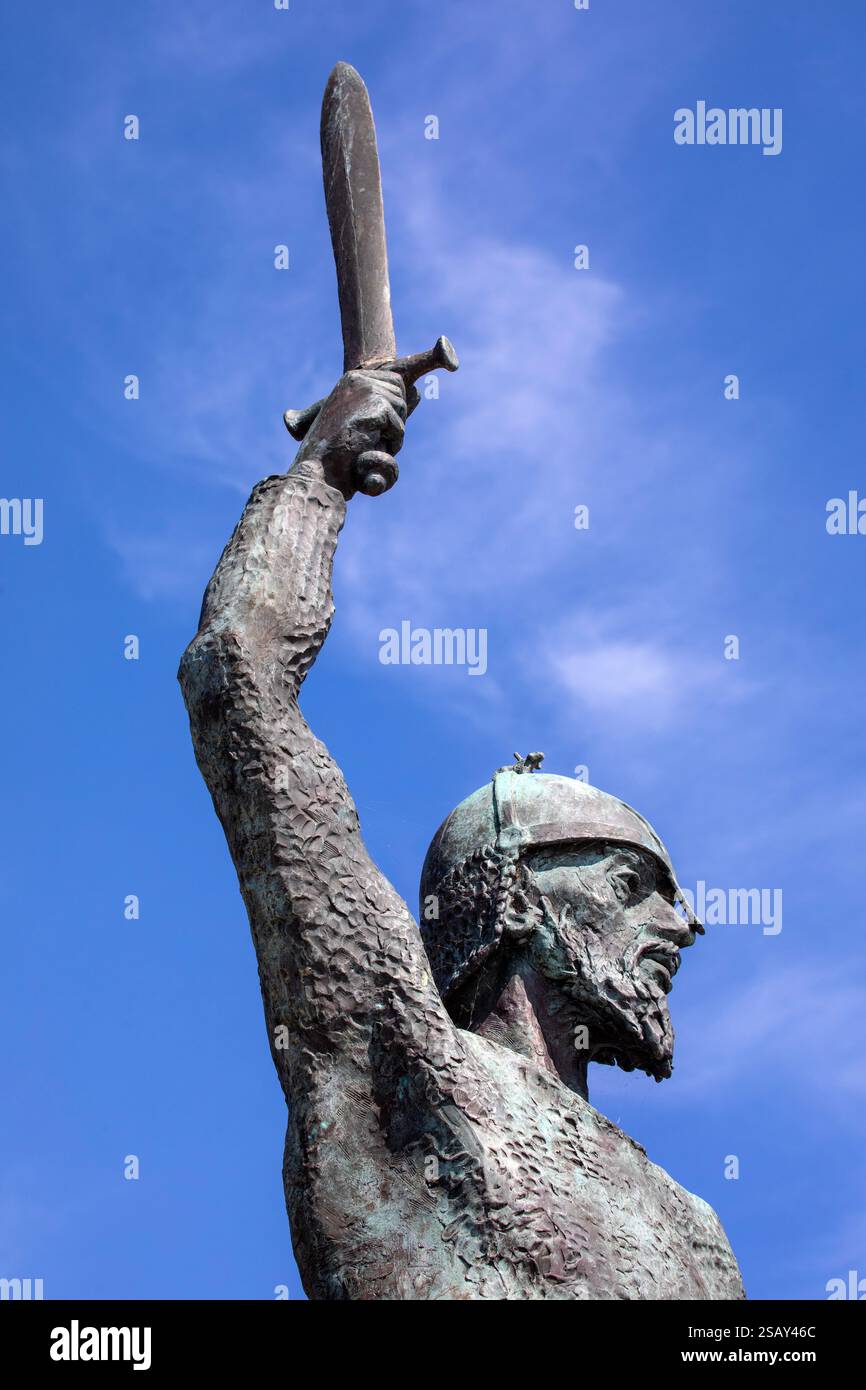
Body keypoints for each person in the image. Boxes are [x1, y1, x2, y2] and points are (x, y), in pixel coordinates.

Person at [179, 367, 744, 1300]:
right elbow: (235, 676)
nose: (682, 925)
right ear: (520, 896)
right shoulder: (401, 1058)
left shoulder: (695, 1228)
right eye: (632, 885)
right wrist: (320, 475)